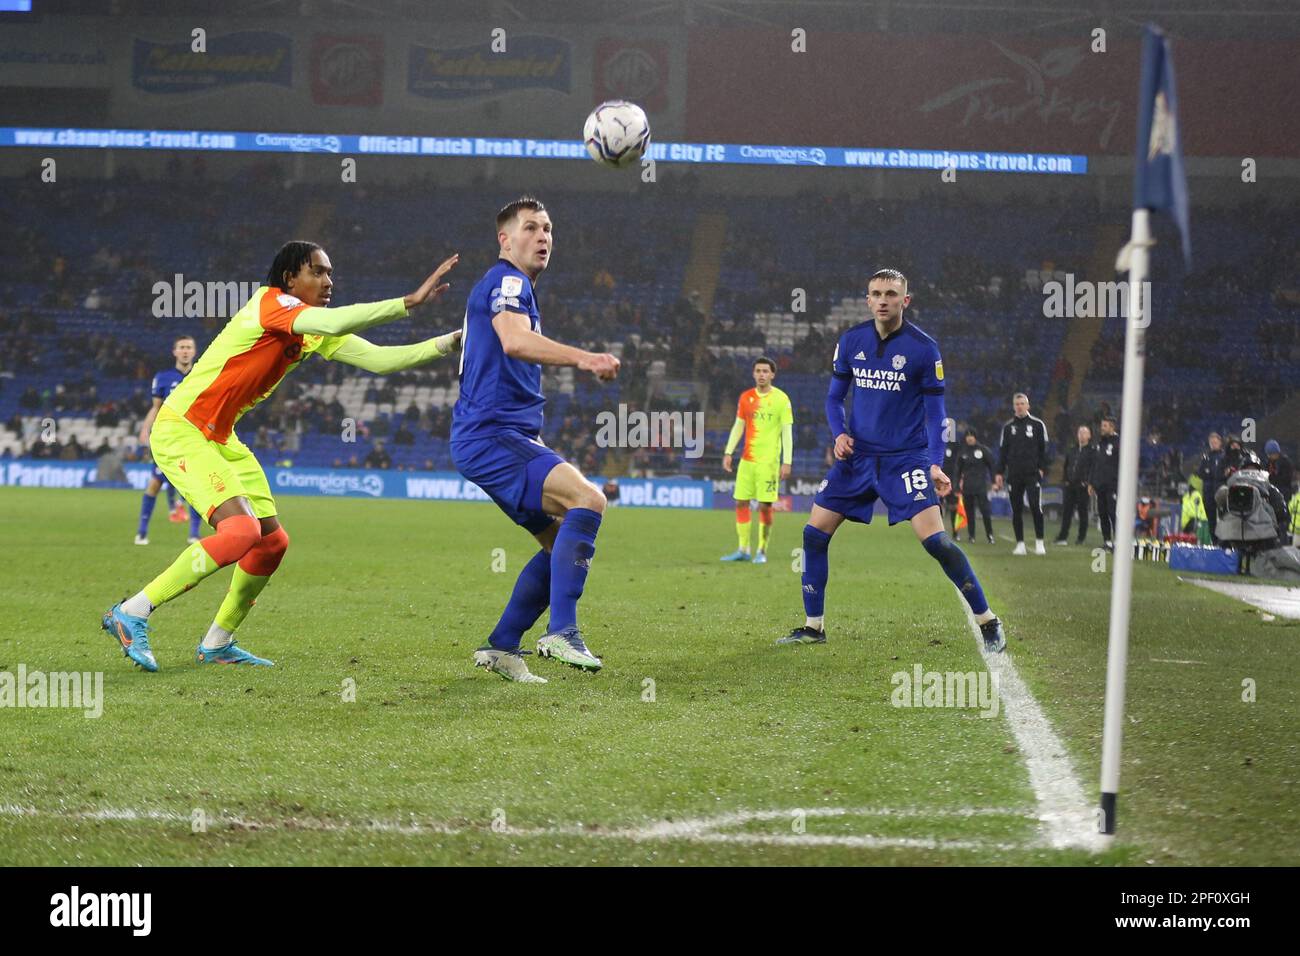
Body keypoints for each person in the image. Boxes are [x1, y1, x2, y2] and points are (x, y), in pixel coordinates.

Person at [100, 242, 462, 672]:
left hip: (222, 438)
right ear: (291, 278)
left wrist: (452, 340)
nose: (328, 281)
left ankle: (217, 642)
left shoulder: (310, 330)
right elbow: (333, 318)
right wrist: (408, 302)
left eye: (330, 274)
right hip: (183, 428)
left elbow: (382, 361)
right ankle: (133, 611)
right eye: (318, 272)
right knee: (240, 533)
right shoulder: (271, 304)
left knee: (271, 542)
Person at [776, 269, 1007, 653]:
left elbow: (937, 416)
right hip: (859, 457)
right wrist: (839, 433)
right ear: (867, 299)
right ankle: (813, 627)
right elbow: (834, 398)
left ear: (905, 300)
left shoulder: (924, 349)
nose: (883, 299)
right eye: (876, 293)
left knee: (936, 543)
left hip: (906, 459)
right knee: (813, 535)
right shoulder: (851, 341)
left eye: (891, 293)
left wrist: (934, 463)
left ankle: (987, 622)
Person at [452, 197, 620, 684]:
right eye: (531, 228)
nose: (543, 236)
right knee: (588, 500)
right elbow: (514, 340)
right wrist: (586, 358)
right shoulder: (509, 281)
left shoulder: (511, 286)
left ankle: (502, 647)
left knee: (558, 542)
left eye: (548, 228)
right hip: (492, 436)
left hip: (498, 435)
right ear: (505, 239)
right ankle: (561, 631)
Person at [720, 356, 794, 564]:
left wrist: (786, 461)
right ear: (753, 374)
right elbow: (738, 426)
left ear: (772, 374)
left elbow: (787, 432)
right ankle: (743, 549)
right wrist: (728, 452)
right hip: (747, 460)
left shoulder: (781, 399)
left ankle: (761, 550)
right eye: (758, 371)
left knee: (764, 506)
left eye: (765, 371)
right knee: (741, 501)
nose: (761, 374)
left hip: (769, 462)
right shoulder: (746, 398)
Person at [134, 335, 204, 545]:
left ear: (194, 352)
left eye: (188, 347)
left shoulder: (202, 375)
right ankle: (142, 532)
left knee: (196, 486)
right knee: (155, 483)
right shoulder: (162, 377)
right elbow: (156, 407)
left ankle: (194, 534)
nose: (185, 351)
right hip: (168, 439)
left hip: (193, 438)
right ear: (174, 351)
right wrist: (145, 428)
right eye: (181, 347)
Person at [994, 392, 1050, 555]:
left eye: (1022, 403)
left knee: (1035, 506)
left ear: (1028, 406)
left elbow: (1043, 450)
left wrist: (1041, 468)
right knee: (1016, 509)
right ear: (1013, 406)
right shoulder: (1008, 427)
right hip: (1014, 474)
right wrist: (999, 472)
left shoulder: (1038, 425)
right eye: (1017, 404)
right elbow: (1003, 452)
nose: (1019, 406)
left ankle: (1040, 542)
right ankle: (1020, 544)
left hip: (1032, 473)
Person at [1054, 424, 1096, 545]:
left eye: (1084, 432)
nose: (1081, 434)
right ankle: (1062, 537)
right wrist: (1065, 480)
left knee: (1083, 512)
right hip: (1070, 485)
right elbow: (1066, 465)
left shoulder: (1092, 451)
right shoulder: (1072, 449)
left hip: (1082, 487)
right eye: (1079, 432)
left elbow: (1093, 468)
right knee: (1067, 511)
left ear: (1089, 436)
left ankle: (1081, 538)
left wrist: (1088, 482)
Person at [955, 429, 995, 544]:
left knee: (985, 512)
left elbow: (992, 465)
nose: (969, 438)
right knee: (969, 513)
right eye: (967, 436)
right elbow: (957, 471)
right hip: (967, 487)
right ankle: (971, 536)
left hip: (981, 487)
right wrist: (956, 486)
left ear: (975, 437)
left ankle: (990, 535)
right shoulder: (962, 452)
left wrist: (993, 481)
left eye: (971, 435)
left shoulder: (983, 450)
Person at [1089, 415, 1120, 550]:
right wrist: (1091, 482)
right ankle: (1107, 542)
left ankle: (1119, 543)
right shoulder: (1100, 443)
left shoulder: (1119, 443)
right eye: (1102, 426)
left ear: (1112, 427)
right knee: (1103, 514)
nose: (1102, 428)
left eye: (1105, 426)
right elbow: (1095, 464)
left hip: (1113, 486)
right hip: (1100, 486)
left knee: (1113, 513)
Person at [1196, 432, 1225, 541]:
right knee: (1211, 520)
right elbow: (1201, 473)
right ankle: (1215, 542)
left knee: (1223, 518)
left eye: (1215, 442)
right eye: (1211, 442)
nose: (1213, 444)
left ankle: (1224, 542)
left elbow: (1218, 473)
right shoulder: (1206, 457)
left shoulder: (1224, 456)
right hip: (1208, 493)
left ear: (1220, 443)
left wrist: (1211, 473)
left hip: (1220, 492)